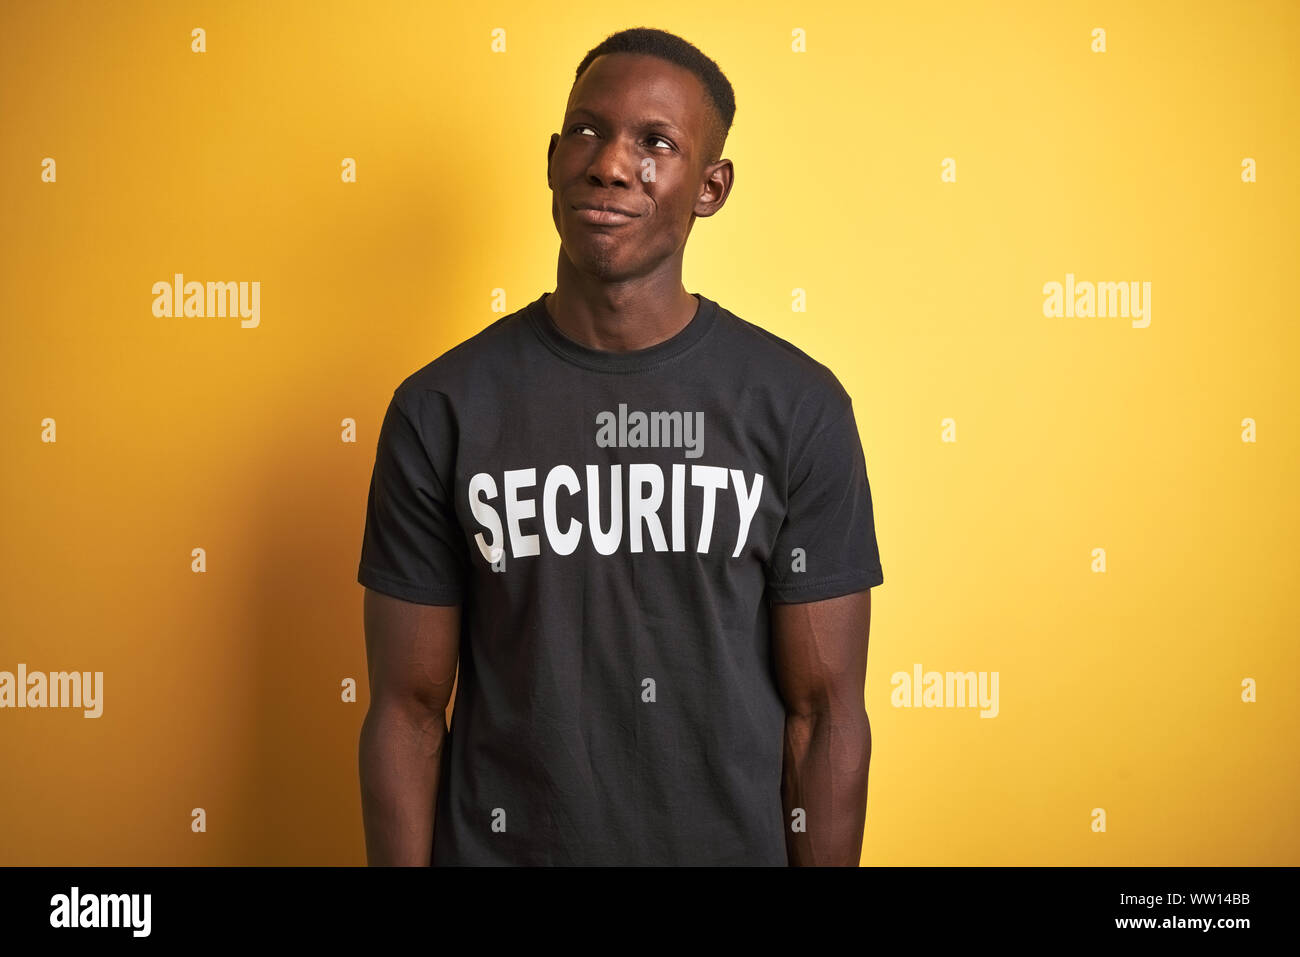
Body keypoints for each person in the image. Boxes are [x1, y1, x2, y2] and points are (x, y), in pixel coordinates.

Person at [357, 26, 884, 866]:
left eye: (656, 143)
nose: (608, 163)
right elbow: (407, 711)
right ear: (555, 156)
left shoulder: (797, 407)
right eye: (588, 130)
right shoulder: (441, 408)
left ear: (711, 188)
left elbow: (825, 715)